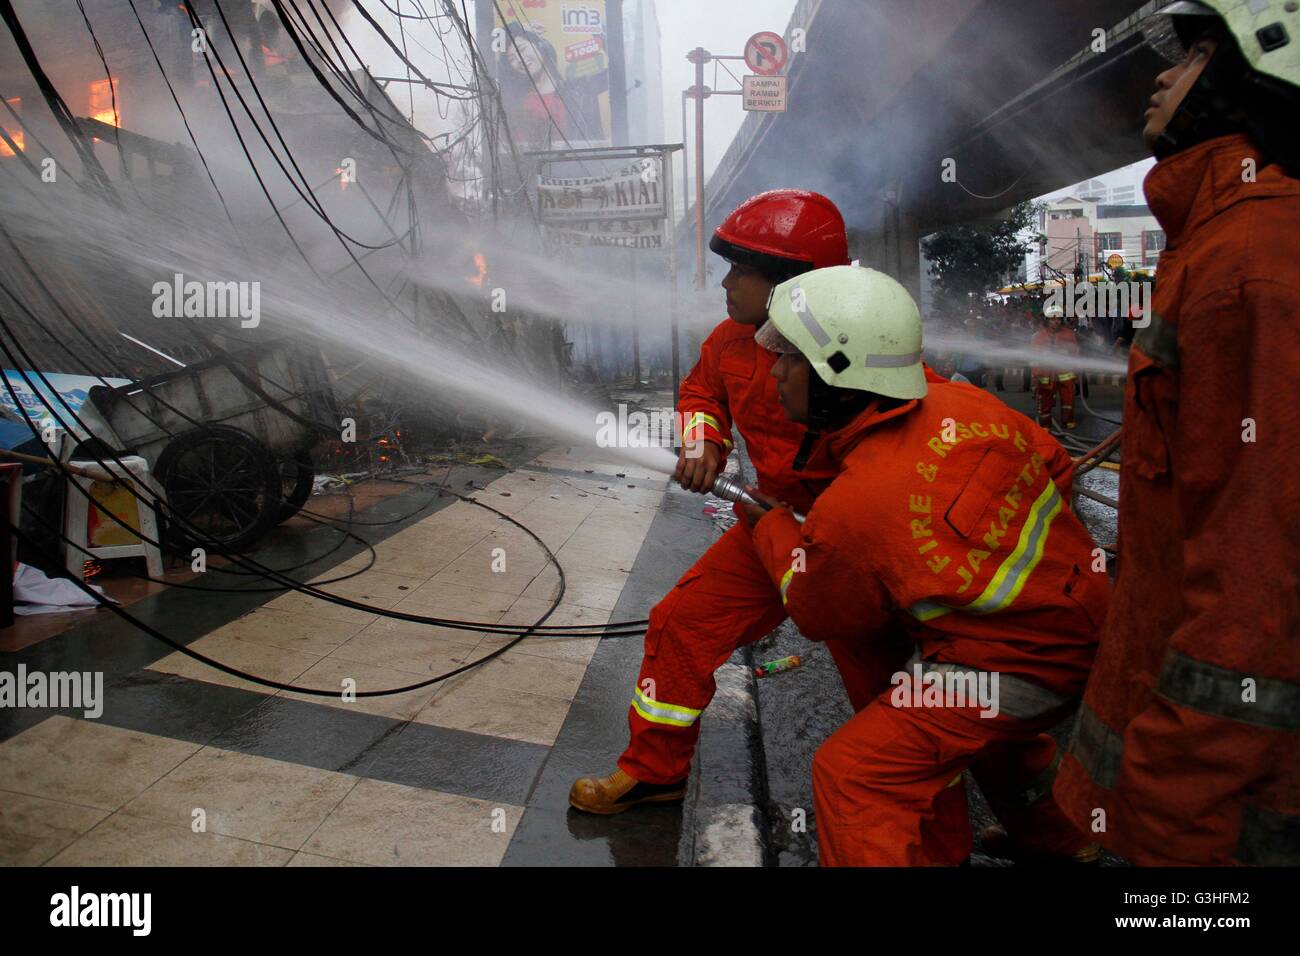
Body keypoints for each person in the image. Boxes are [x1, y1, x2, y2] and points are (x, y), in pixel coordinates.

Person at [736, 265, 1108, 865]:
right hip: (1078, 631)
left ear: (837, 372)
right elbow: (1054, 468)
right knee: (989, 737)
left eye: (791, 358)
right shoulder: (967, 406)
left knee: (856, 774)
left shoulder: (860, 502)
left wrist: (774, 529)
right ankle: (1059, 842)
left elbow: (818, 609)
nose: (775, 372)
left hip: (1017, 668)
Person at [1053, 0, 1300, 865]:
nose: (1161, 73)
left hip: (1211, 819)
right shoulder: (1221, 240)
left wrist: (1167, 810)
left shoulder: (1252, 262)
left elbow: (1258, 587)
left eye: (1193, 52)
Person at [570, 190, 893, 814]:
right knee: (682, 623)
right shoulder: (728, 341)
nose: (727, 282)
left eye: (742, 269)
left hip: (853, 537)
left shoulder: (858, 343)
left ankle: (1047, 832)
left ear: (790, 282)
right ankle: (654, 770)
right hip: (767, 521)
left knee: (901, 693)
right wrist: (704, 443)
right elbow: (700, 394)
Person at [1030, 305, 1081, 428]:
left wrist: (1077, 372)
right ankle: (1045, 424)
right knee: (1045, 400)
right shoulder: (1038, 336)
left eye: (1058, 318)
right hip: (1045, 374)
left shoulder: (1069, 334)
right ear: (1046, 320)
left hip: (1065, 373)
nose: (1056, 321)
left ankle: (1068, 420)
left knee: (1068, 399)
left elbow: (1075, 354)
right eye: (1053, 319)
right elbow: (1033, 358)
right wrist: (1036, 374)